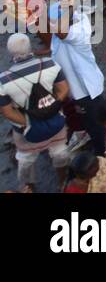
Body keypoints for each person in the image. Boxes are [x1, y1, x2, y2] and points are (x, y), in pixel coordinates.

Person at [0, 33, 72, 190]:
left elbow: (7, 112)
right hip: (55, 122)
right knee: (60, 152)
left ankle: (29, 187)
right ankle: (62, 181)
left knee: (26, 159)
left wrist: (29, 122)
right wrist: (51, 107)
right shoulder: (50, 64)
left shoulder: (4, 80)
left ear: (10, 53)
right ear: (30, 48)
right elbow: (64, 89)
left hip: (25, 131)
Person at [47, 0, 106, 155]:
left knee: (96, 123)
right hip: (76, 91)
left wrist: (71, 8)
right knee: (87, 119)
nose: (51, 24)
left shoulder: (78, 30)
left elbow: (60, 31)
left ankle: (103, 153)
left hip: (86, 90)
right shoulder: (62, 29)